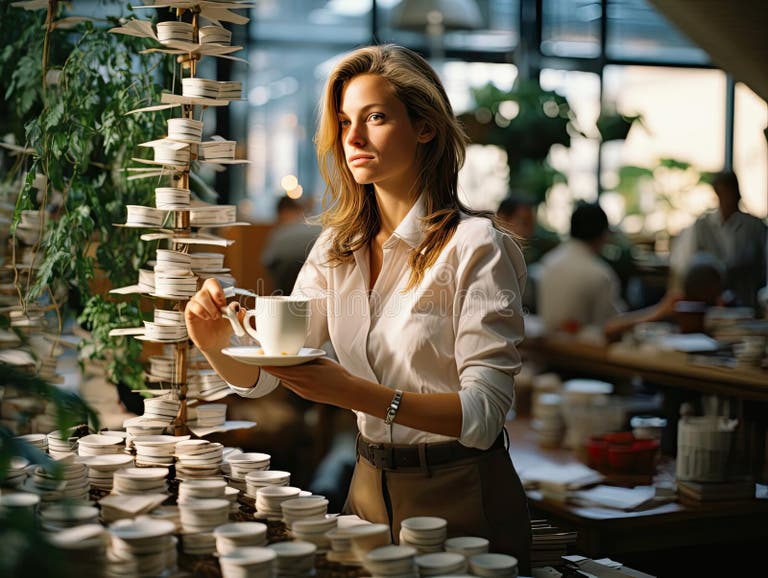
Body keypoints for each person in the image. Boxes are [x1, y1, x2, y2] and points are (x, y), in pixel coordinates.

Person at [185, 44, 532, 570]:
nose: (352, 138)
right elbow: (269, 373)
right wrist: (217, 345)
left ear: (425, 127)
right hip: (366, 488)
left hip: (462, 491)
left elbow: (483, 414)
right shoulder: (335, 248)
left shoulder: (476, 246)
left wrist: (352, 393)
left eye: (375, 118)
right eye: (345, 121)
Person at [670, 170, 766, 309]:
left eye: (730, 191)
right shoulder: (701, 226)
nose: (727, 197)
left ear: (738, 192)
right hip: (708, 304)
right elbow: (682, 264)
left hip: (747, 302)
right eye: (722, 192)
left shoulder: (755, 227)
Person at [537, 202, 625, 335]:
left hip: (546, 343)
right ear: (603, 234)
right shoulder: (599, 274)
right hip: (583, 346)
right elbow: (609, 325)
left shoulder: (548, 261)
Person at [496, 194, 560, 313]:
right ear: (502, 219)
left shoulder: (513, 258)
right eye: (524, 223)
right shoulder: (490, 259)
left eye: (532, 225)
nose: (529, 232)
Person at [261, 195, 322, 294]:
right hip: (318, 290)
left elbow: (267, 261)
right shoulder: (320, 229)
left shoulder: (279, 234)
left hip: (286, 292)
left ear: (282, 213)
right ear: (299, 209)